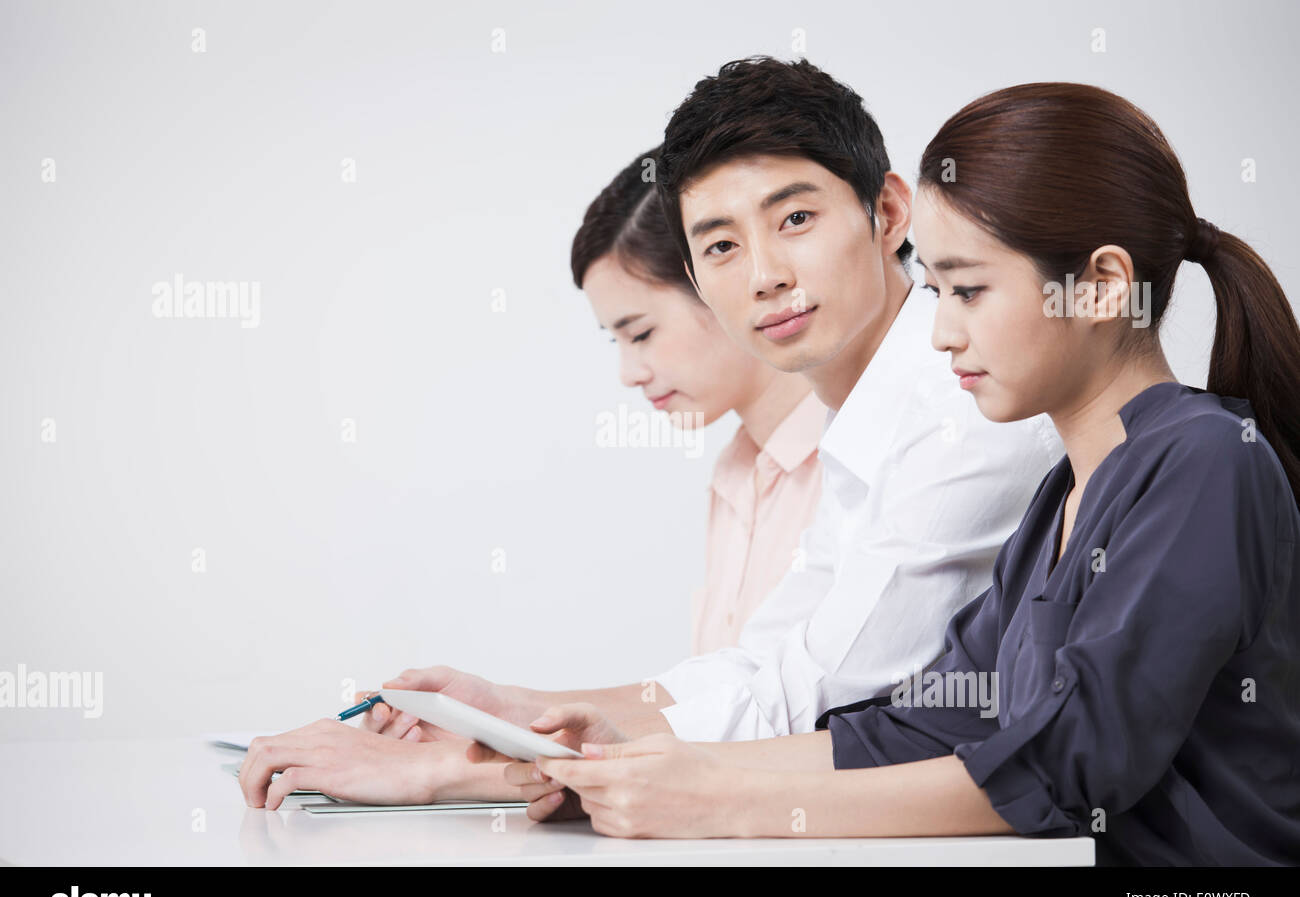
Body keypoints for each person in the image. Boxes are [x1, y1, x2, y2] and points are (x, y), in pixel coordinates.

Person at [501, 82, 1300, 867]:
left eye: (972, 291)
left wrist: (721, 798)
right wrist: (648, 769)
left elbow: (1067, 764)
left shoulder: (1205, 460)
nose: (943, 331)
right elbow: (922, 724)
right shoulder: (1061, 501)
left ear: (1100, 287)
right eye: (942, 290)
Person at [238, 59, 1061, 810]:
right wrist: (515, 711)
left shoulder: (962, 404)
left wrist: (469, 769)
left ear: (886, 212)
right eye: (722, 245)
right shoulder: (869, 421)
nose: (766, 273)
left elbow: (823, 698)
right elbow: (764, 669)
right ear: (701, 276)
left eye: (797, 217)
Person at [573, 147, 826, 658]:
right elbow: (724, 701)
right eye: (614, 340)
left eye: (640, 334)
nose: (629, 374)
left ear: (712, 283)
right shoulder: (736, 477)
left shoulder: (854, 462)